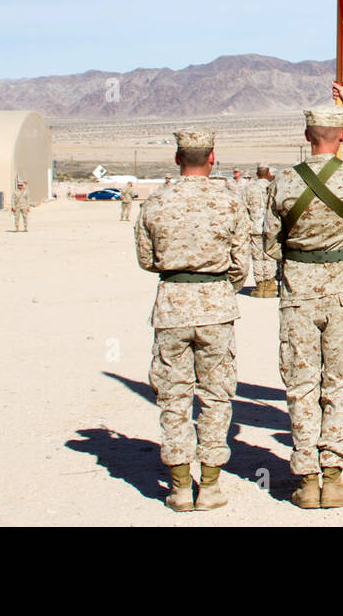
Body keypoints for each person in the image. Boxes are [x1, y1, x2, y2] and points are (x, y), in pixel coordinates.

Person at [263, 82, 343, 510]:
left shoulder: (283, 182)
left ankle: (306, 480)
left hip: (298, 294)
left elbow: (270, 244)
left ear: (307, 137)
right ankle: (333, 475)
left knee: (301, 385)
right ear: (339, 136)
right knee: (339, 385)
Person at [136, 128, 248, 512]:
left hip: (172, 307)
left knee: (173, 395)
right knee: (216, 396)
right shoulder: (229, 201)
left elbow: (146, 260)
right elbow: (241, 265)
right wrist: (216, 282)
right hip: (216, 306)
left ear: (176, 159)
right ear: (213, 157)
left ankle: (181, 487)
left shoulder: (155, 202)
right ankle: (211, 485)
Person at [245, 165, 275, 298]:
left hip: (254, 226)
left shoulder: (249, 188)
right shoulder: (272, 186)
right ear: (268, 173)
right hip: (270, 226)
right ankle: (270, 284)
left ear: (257, 173)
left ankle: (260, 285)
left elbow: (244, 207)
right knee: (269, 255)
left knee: (257, 257)